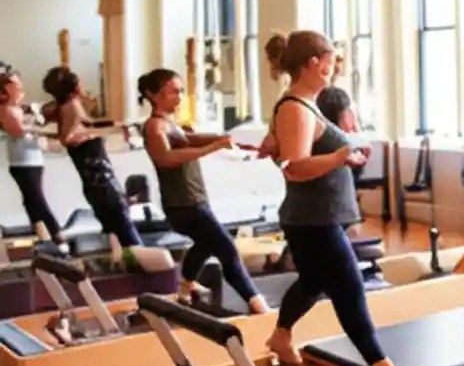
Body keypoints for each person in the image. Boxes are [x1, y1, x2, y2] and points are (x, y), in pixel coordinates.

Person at [260, 31, 409, 366]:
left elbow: (294, 157)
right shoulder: (295, 107)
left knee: (312, 283)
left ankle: (281, 336)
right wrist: (340, 156)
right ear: (312, 63)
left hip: (314, 217)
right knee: (349, 287)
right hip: (313, 220)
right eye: (329, 62)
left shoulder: (305, 105)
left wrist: (347, 154)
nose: (332, 69)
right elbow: (295, 168)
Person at [137, 68, 268, 312]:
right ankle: (256, 302)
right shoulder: (155, 126)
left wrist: (226, 140)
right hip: (183, 204)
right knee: (227, 249)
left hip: (192, 199)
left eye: (180, 92)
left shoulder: (170, 124)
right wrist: (213, 147)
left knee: (205, 243)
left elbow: (190, 139)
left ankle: (186, 288)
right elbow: (165, 158)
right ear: (152, 95)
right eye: (173, 92)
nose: (179, 97)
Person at [42, 66, 150, 256]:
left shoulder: (71, 105)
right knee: (124, 228)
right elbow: (67, 138)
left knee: (114, 228)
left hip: (97, 182)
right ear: (74, 87)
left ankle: (126, 265)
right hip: (100, 181)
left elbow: (90, 125)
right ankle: (144, 265)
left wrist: (122, 125)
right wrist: (89, 135)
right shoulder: (71, 107)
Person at [0, 64, 62, 243]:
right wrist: (42, 130)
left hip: (33, 160)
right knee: (36, 201)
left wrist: (37, 118)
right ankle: (57, 236)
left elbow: (30, 129)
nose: (19, 86)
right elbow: (18, 131)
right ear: (6, 88)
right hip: (22, 163)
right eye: (13, 84)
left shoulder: (19, 108)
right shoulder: (6, 109)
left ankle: (46, 238)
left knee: (33, 201)